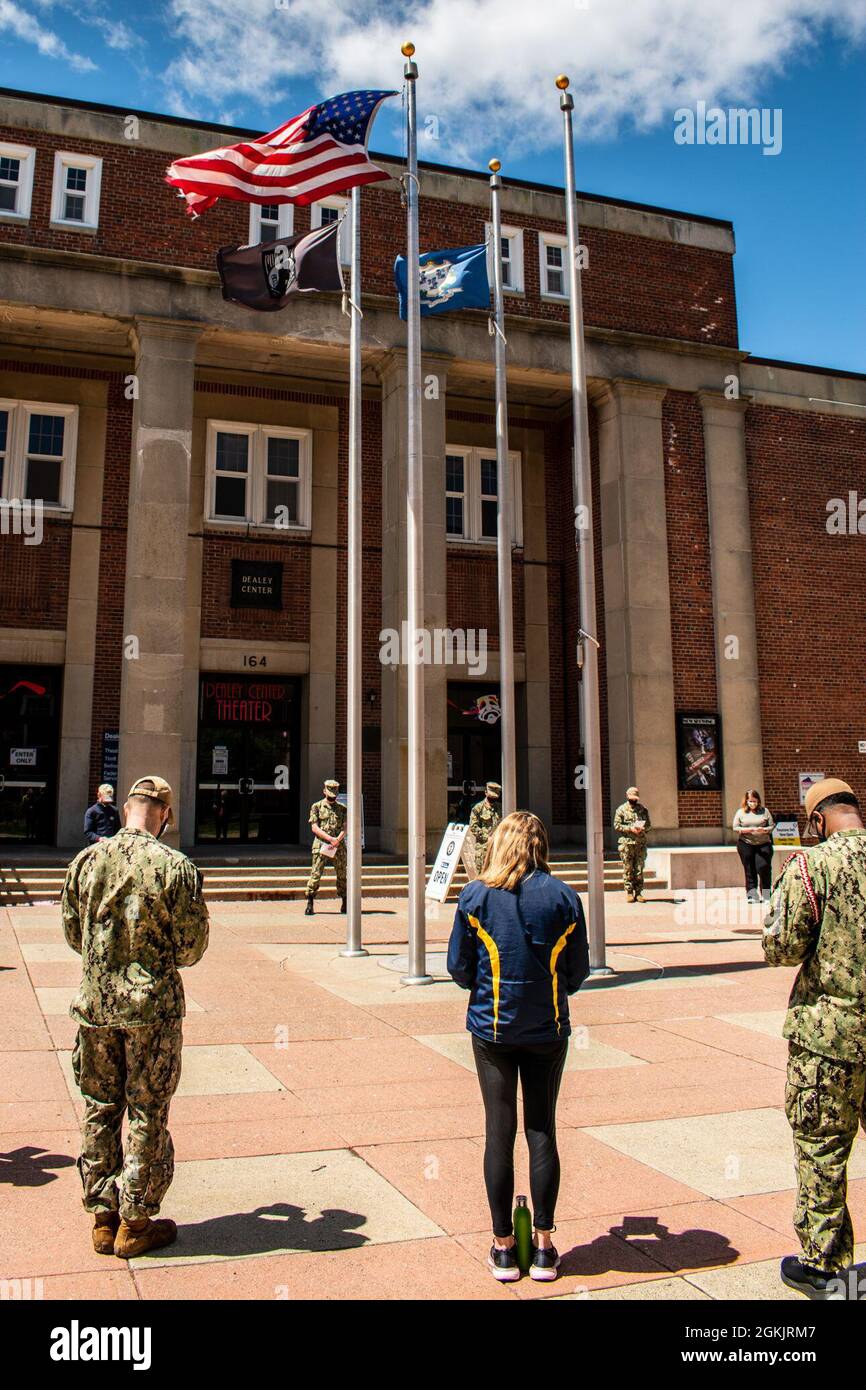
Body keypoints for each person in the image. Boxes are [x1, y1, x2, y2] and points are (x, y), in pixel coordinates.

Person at [61, 775, 209, 1259]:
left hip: (96, 1008)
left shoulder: (86, 862)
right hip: (152, 1012)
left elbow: (73, 934)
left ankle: (101, 1214)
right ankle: (135, 1220)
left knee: (99, 1105)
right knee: (147, 1111)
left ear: (126, 809)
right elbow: (190, 949)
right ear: (164, 815)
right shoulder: (175, 867)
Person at [448, 810, 589, 1283]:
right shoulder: (565, 897)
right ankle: (545, 1246)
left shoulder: (475, 896)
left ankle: (504, 1246)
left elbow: (458, 967)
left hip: (493, 1028)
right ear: (539, 846)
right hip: (547, 1027)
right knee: (542, 1129)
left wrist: (488, 986)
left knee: (498, 1132)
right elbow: (577, 972)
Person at [762, 777, 866, 1300]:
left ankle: (824, 1267)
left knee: (822, 1145)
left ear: (818, 820)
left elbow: (780, 945)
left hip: (829, 1040)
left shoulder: (810, 866)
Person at [305, 778, 347, 915]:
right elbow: (314, 827)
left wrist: (337, 840)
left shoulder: (342, 809)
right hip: (321, 844)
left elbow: (345, 827)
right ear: (324, 791)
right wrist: (329, 838)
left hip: (338, 846)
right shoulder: (316, 806)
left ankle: (345, 901)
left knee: (342, 874)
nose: (332, 796)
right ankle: (310, 901)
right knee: (316, 873)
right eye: (329, 792)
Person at [733, 788, 775, 902]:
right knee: (749, 869)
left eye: (755, 801)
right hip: (746, 843)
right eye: (750, 801)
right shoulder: (741, 812)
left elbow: (772, 826)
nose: (753, 803)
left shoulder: (765, 811)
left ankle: (766, 895)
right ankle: (752, 895)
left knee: (764, 868)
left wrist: (764, 830)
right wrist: (748, 830)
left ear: (758, 801)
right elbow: (735, 827)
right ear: (746, 801)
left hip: (763, 844)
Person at [613, 786, 651, 902]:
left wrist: (642, 828)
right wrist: (630, 829)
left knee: (639, 869)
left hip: (640, 843)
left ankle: (638, 892)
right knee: (628, 868)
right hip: (627, 844)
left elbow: (649, 825)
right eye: (632, 798)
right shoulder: (621, 809)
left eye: (635, 798)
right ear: (627, 796)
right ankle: (629, 892)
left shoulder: (643, 809)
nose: (634, 800)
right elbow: (617, 825)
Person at [469, 780, 502, 874]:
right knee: (483, 875)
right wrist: (487, 837)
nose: (493, 799)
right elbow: (473, 826)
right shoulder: (478, 808)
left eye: (494, 797)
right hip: (483, 848)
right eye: (491, 796)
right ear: (485, 792)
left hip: (497, 848)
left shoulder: (500, 807)